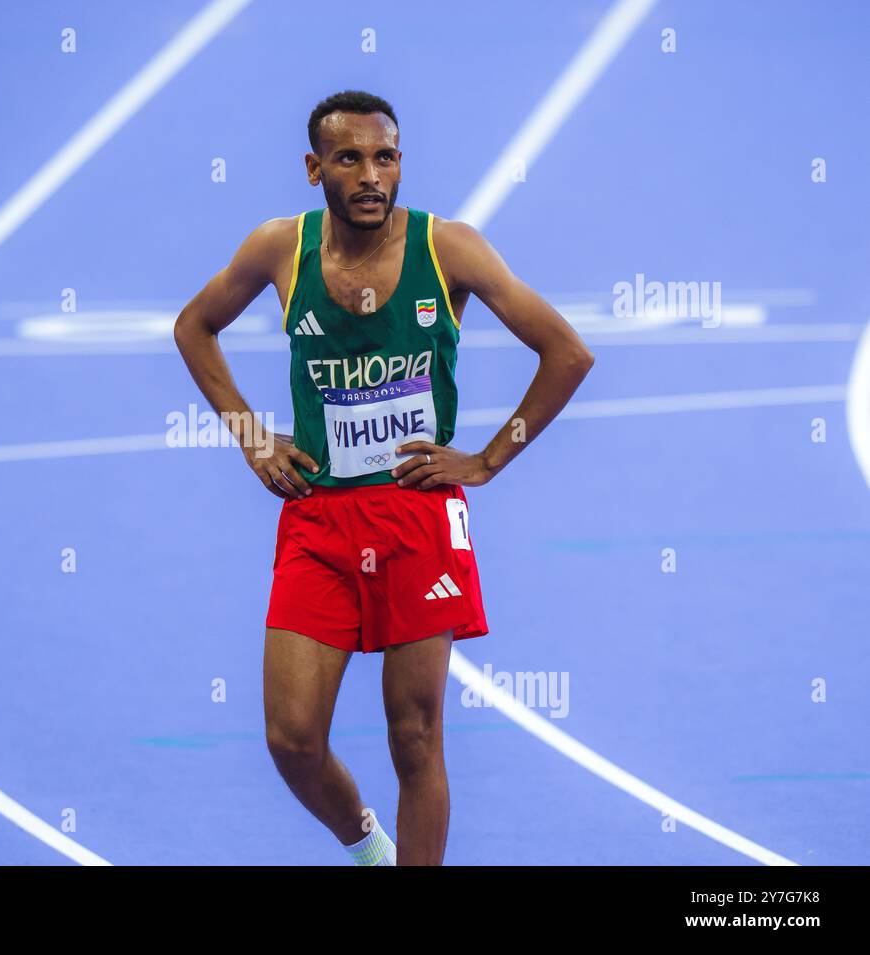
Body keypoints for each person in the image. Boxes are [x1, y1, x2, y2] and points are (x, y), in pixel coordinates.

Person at [173, 90, 594, 865]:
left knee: (415, 733)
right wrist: (247, 432)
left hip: (417, 516)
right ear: (314, 168)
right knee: (292, 738)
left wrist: (486, 460)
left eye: (386, 157)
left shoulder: (449, 249)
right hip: (318, 516)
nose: (371, 175)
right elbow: (193, 326)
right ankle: (368, 847)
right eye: (350, 158)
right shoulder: (278, 248)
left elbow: (567, 352)